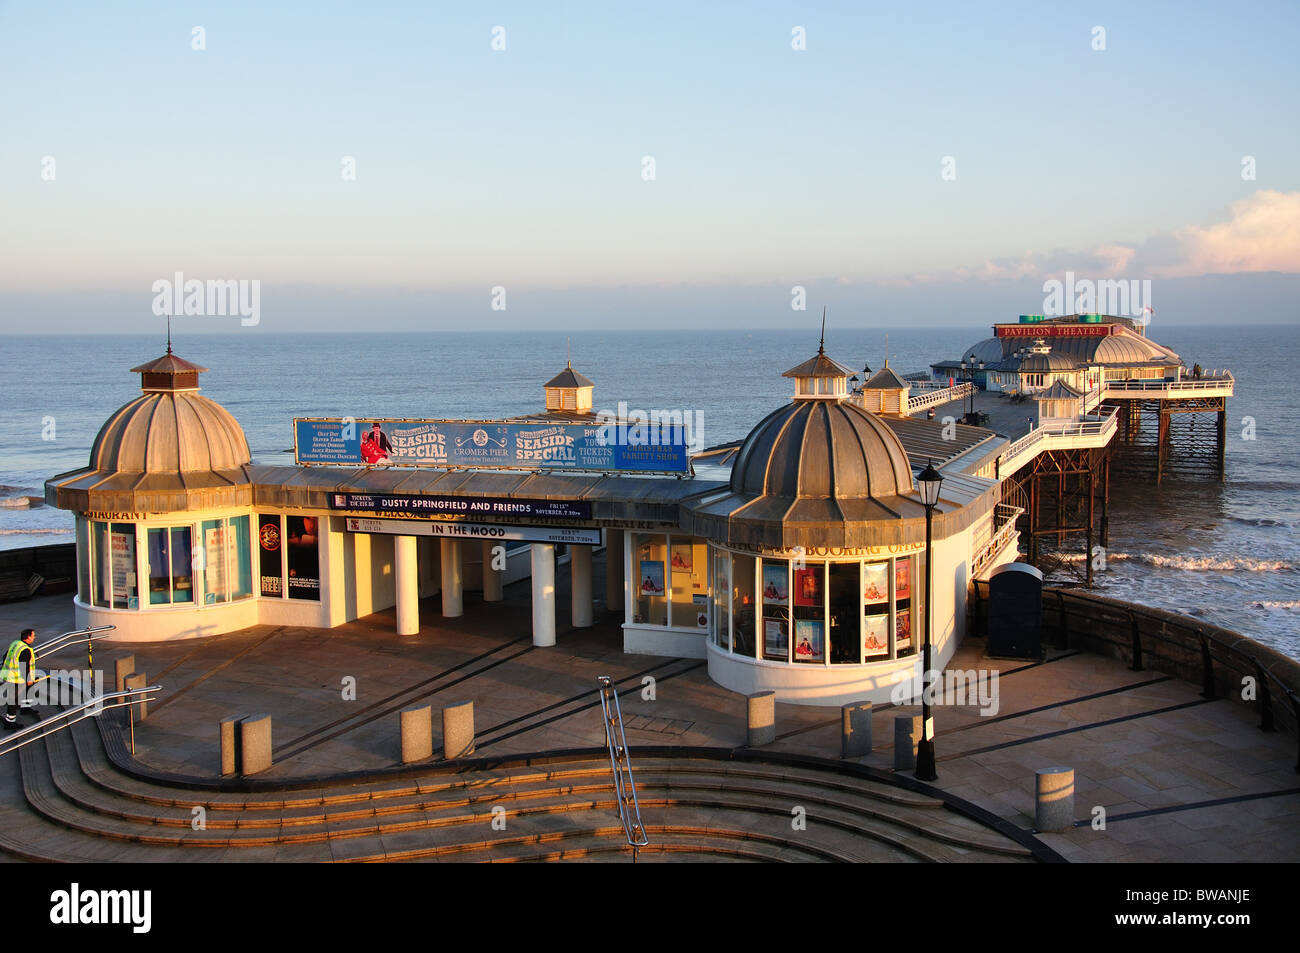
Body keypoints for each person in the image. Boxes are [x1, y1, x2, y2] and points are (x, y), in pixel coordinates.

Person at [3, 629, 38, 729]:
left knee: (26, 690)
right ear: (28, 637)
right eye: (33, 635)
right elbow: (24, 666)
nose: (34, 637)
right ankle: (10, 722)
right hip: (16, 678)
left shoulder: (16, 643)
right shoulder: (25, 650)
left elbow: (5, 656)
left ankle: (25, 707)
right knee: (13, 699)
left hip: (9, 674)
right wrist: (28, 679)